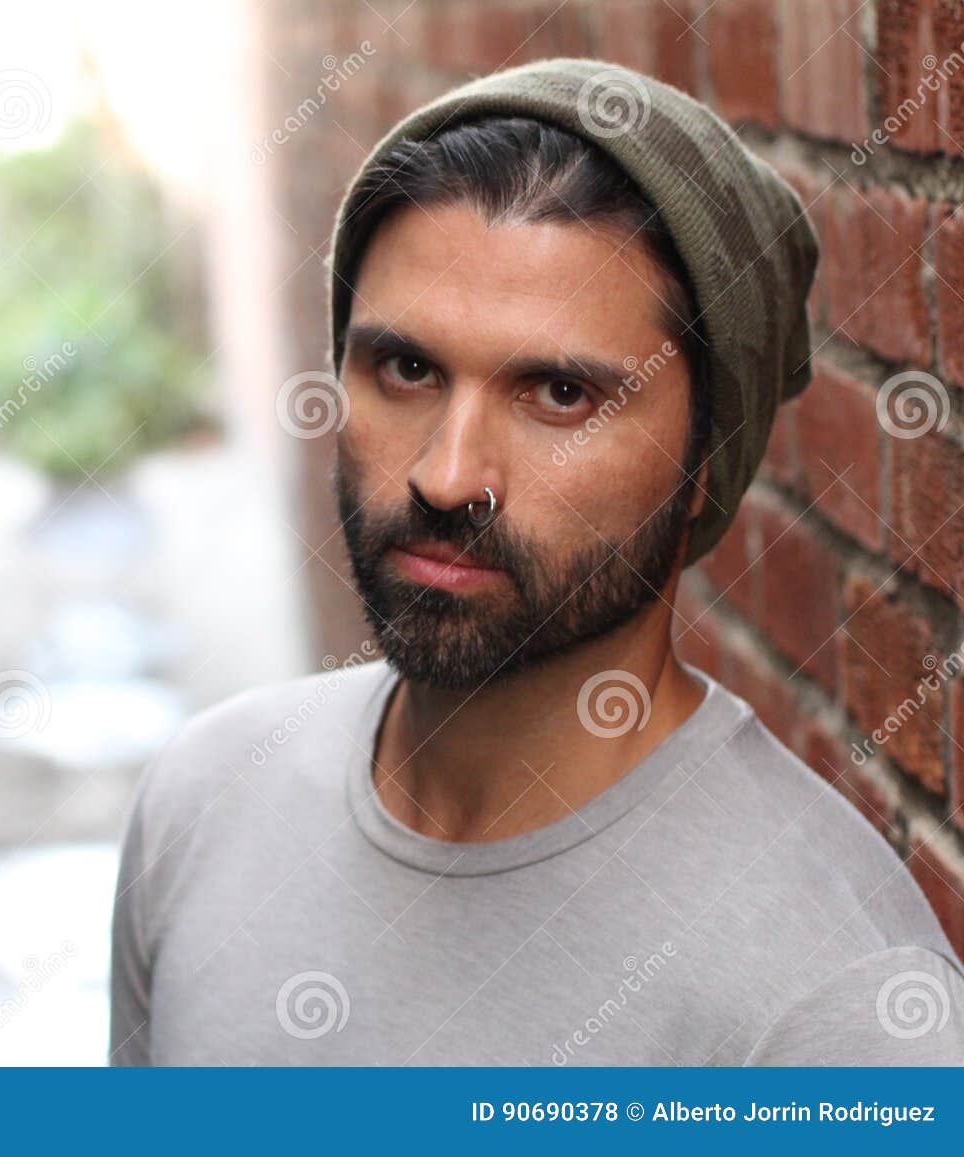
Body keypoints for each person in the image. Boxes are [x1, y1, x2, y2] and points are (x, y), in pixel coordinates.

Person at [107, 57, 964, 1065]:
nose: (447, 473)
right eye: (406, 368)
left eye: (558, 394)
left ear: (703, 464)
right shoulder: (201, 802)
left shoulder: (836, 1007)